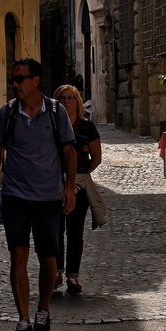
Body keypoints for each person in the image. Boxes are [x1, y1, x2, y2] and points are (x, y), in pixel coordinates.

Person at [0, 58, 77, 331]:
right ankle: (23, 320)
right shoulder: (7, 113)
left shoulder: (55, 112)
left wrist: (70, 187)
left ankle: (43, 310)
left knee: (48, 258)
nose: (15, 84)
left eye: (20, 79)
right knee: (18, 255)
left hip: (49, 197)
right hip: (15, 197)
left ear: (35, 80)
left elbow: (69, 152)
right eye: (13, 79)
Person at [53, 84, 103, 294]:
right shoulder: (51, 126)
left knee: (75, 231)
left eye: (70, 98)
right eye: (62, 99)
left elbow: (97, 158)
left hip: (79, 185)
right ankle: (56, 273)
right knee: (56, 230)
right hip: (53, 184)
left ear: (78, 102)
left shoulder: (87, 127)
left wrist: (80, 176)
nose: (66, 102)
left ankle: (73, 276)